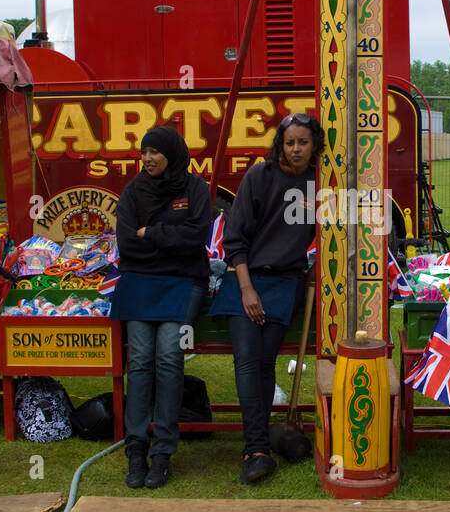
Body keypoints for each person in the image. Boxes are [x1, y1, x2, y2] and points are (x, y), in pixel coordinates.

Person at [211, 113, 324, 484]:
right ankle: (256, 449)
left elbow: (333, 231)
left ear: (314, 146)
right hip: (245, 277)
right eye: (289, 142)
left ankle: (261, 442)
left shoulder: (319, 183)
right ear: (280, 144)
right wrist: (246, 290)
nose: (295, 149)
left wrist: (314, 266)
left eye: (302, 142)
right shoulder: (259, 176)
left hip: (284, 281)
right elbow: (234, 239)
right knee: (246, 360)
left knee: (265, 362)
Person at [113, 126, 212, 489]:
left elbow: (196, 237)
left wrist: (151, 234)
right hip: (139, 282)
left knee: (169, 356)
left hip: (184, 282)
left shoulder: (194, 188)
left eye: (154, 152)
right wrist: (168, 240)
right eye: (143, 153)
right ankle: (136, 449)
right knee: (140, 360)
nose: (147, 159)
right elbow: (126, 242)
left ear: (173, 155)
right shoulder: (133, 191)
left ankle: (163, 453)